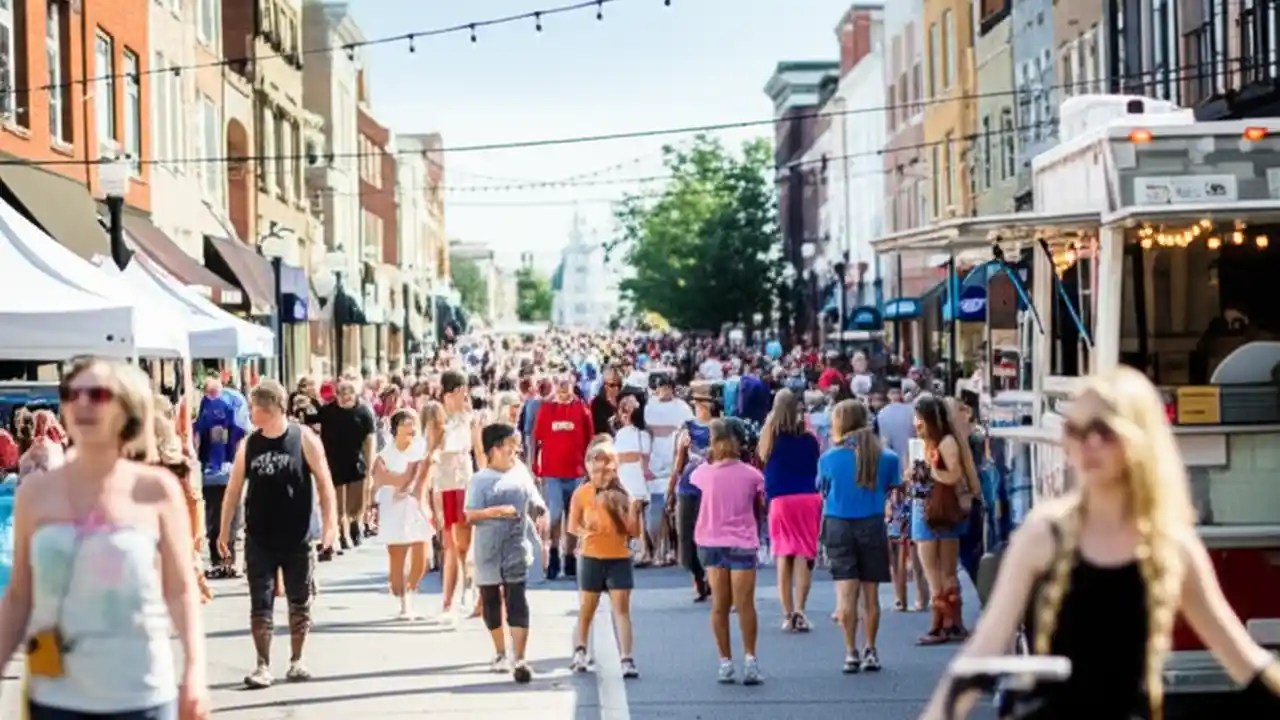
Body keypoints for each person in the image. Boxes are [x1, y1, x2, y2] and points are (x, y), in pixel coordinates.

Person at [921, 367, 1280, 719]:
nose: (1089, 444)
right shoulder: (1043, 534)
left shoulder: (1169, 545)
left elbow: (1242, 658)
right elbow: (983, 650)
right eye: (1076, 431)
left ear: (1139, 439)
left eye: (1104, 430)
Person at [0, 358, 209, 719]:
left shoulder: (156, 490)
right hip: (55, 697)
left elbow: (181, 589)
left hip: (140, 695)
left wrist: (195, 671)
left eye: (96, 394)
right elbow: (20, 596)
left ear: (125, 408)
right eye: (71, 393)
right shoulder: (35, 493)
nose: (81, 403)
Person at [218, 380, 339, 689]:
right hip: (259, 537)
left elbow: (325, 483)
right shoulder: (250, 444)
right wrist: (224, 531)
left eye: (253, 407)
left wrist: (330, 525)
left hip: (297, 536)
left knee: (300, 601)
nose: (249, 413)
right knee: (261, 603)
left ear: (267, 408)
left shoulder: (303, 438)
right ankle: (262, 665)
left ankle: (297, 661)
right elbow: (233, 490)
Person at [818, 399, 900, 673]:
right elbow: (894, 491)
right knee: (871, 595)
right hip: (872, 523)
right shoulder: (887, 457)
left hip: (839, 524)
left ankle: (850, 651)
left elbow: (823, 489)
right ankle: (871, 649)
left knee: (846, 593)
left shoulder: (829, 458)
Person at [464, 423, 547, 683]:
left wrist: (540, 511)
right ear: (496, 448)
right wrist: (498, 511)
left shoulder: (520, 472)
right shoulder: (479, 480)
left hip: (515, 547)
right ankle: (500, 652)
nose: (516, 450)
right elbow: (470, 515)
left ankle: (520, 657)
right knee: (491, 601)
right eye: (511, 446)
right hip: (488, 550)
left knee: (517, 600)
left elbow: (534, 498)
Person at [692, 418, 766, 686]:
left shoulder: (702, 473)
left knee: (719, 606)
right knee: (745, 604)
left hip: (711, 541)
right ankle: (750, 660)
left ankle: (725, 662)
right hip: (742, 541)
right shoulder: (752, 475)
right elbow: (762, 503)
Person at [568, 438, 643, 678]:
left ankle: (627, 658)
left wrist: (634, 510)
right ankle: (580, 650)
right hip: (591, 555)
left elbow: (634, 531)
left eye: (605, 468)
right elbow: (573, 526)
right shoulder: (581, 494)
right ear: (588, 467)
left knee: (621, 609)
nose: (600, 474)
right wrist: (586, 532)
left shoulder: (623, 494)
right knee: (587, 607)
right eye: (595, 468)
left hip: (619, 557)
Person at [910, 394, 982, 645]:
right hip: (938, 508)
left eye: (919, 417)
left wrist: (928, 471)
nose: (915, 422)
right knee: (943, 572)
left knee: (938, 573)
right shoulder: (944, 440)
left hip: (936, 509)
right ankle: (950, 623)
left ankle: (940, 625)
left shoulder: (943, 442)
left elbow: (952, 475)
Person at [757, 389, 822, 634]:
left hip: (781, 498)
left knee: (783, 553)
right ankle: (801, 611)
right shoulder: (809, 438)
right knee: (804, 554)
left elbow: (762, 456)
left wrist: (770, 421)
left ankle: (787, 613)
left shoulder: (771, 435)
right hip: (807, 496)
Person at [531, 370, 594, 581]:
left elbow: (590, 440)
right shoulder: (547, 409)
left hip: (576, 472)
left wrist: (589, 470)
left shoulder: (582, 409)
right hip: (553, 473)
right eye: (560, 384)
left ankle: (570, 558)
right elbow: (536, 439)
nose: (564, 388)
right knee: (556, 515)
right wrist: (534, 467)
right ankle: (555, 554)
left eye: (567, 384)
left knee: (573, 517)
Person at [372, 408, 433, 620]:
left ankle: (411, 590)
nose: (410, 428)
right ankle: (403, 598)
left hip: (416, 507)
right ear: (395, 428)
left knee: (422, 557)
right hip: (393, 507)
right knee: (397, 558)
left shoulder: (421, 451)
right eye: (405, 423)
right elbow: (380, 479)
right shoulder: (385, 455)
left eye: (413, 423)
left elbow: (426, 478)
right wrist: (401, 481)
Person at [317, 379, 375, 556]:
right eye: (341, 393)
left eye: (349, 393)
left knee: (355, 502)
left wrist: (370, 465)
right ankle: (343, 534)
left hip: (357, 461)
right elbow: (313, 425)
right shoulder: (327, 411)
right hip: (333, 461)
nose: (345, 397)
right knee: (338, 503)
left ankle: (355, 523)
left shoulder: (364, 411)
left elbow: (369, 440)